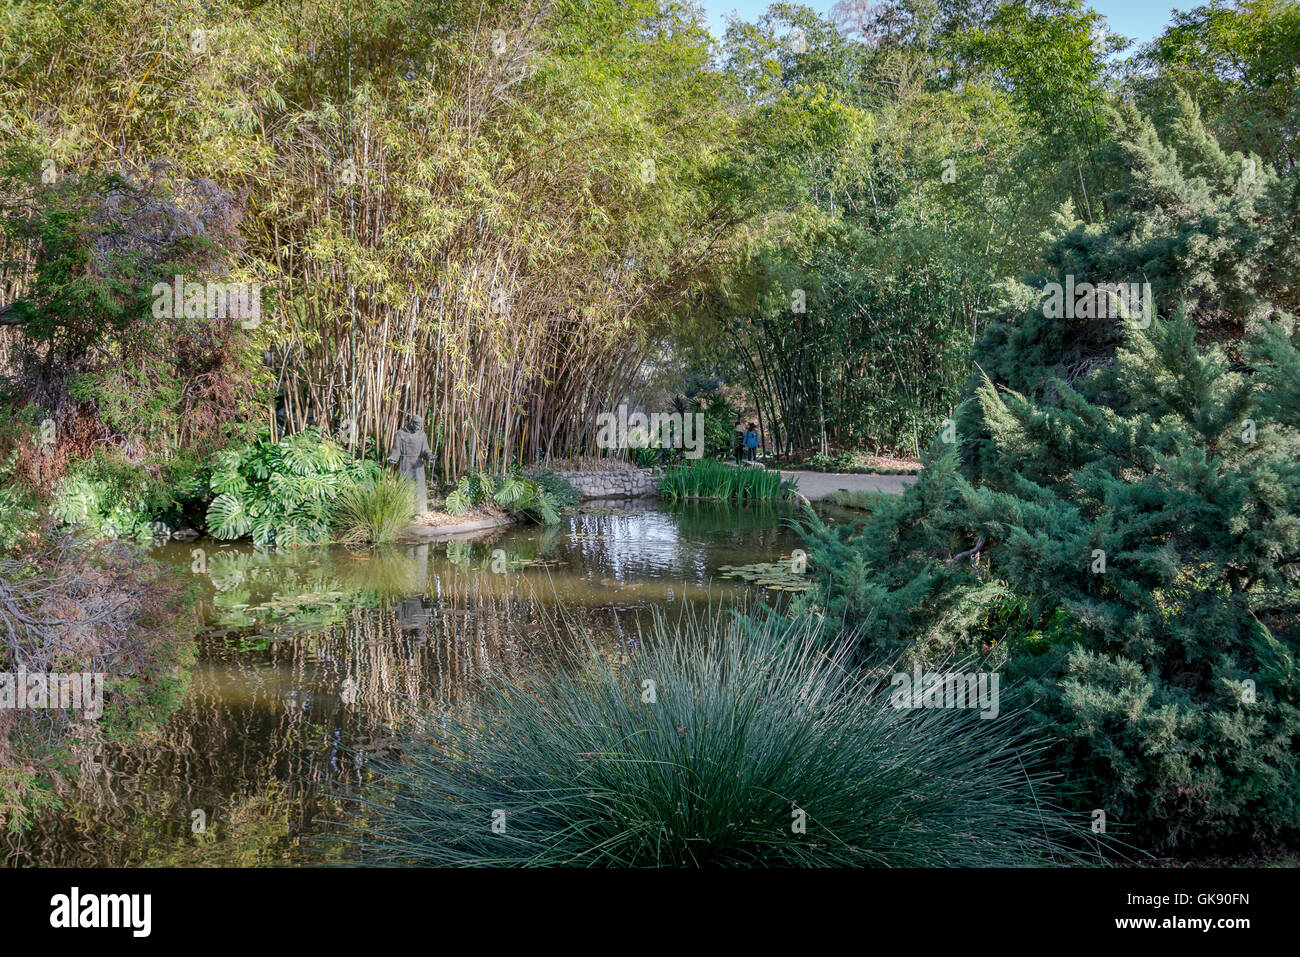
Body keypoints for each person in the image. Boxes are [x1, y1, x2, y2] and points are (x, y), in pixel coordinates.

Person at [388, 413, 431, 514]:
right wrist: (393, 458)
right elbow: (396, 450)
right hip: (405, 463)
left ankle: (420, 510)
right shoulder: (400, 434)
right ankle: (405, 511)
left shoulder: (422, 435)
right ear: (411, 423)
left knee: (419, 486)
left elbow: (425, 450)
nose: (418, 427)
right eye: (416, 424)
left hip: (417, 464)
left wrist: (429, 456)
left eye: (420, 425)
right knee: (404, 486)